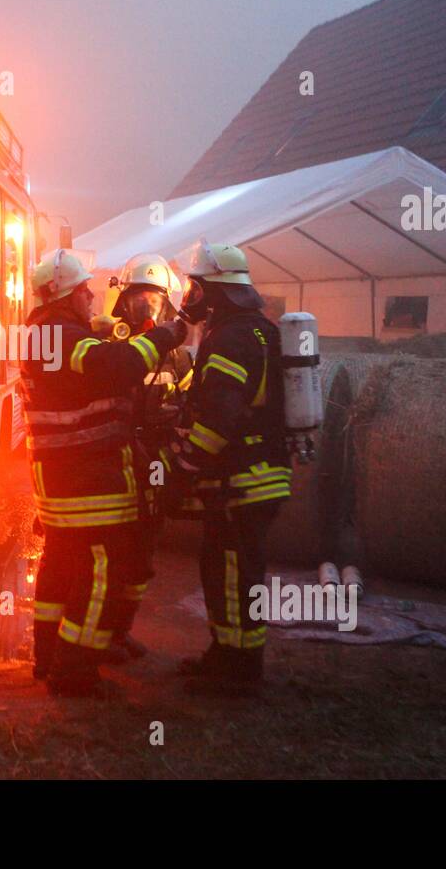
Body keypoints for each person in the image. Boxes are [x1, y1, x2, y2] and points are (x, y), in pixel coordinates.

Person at [24, 249, 188, 696]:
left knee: (59, 567)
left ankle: (48, 658)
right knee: (101, 572)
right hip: (85, 479)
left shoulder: (45, 331)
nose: (91, 296)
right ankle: (74, 673)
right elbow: (114, 367)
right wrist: (165, 336)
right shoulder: (61, 333)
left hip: (63, 477)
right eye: (84, 289)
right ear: (69, 293)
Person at [170, 242, 291, 696]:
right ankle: (226, 655)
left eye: (195, 287)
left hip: (241, 480)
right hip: (258, 476)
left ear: (214, 291)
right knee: (228, 569)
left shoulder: (229, 338)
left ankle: (238, 670)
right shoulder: (261, 331)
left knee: (234, 574)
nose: (189, 296)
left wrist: (182, 466)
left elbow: (220, 419)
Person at [103, 253, 194, 662]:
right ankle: (98, 634)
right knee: (110, 550)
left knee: (143, 550)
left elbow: (188, 406)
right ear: (124, 300)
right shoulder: (111, 347)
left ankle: (120, 629)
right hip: (117, 456)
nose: (146, 308)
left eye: (153, 300)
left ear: (167, 303)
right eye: (138, 298)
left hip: (157, 459)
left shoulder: (178, 357)